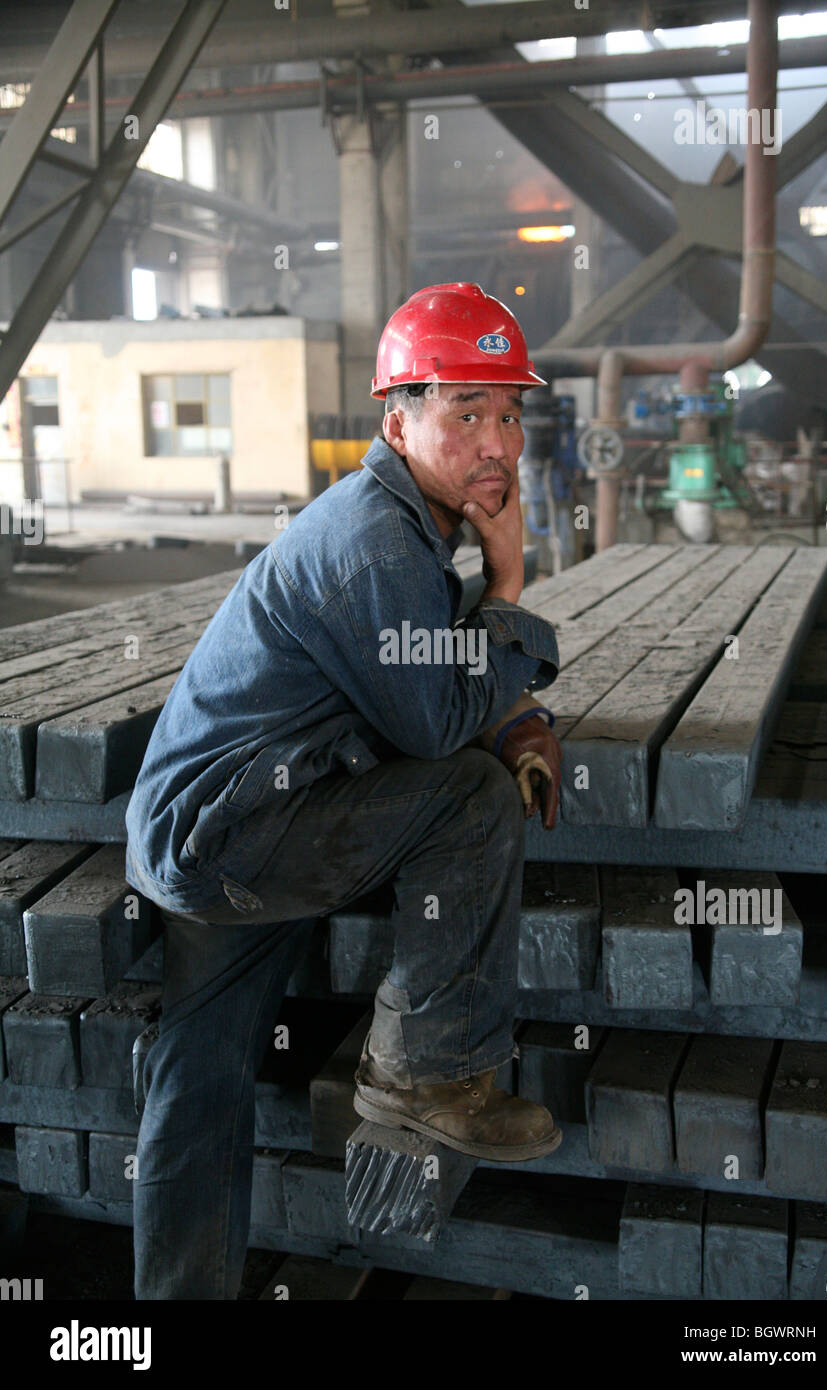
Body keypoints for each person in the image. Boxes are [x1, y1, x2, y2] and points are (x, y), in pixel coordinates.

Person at [125, 281, 564, 1300]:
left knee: (199, 1080)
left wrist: (506, 698)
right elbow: (430, 724)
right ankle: (429, 1073)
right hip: (241, 829)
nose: (495, 440)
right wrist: (506, 593)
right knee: (469, 797)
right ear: (396, 419)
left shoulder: (400, 522)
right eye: (465, 412)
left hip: (210, 827)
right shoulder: (375, 539)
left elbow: (426, 678)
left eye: (507, 412)